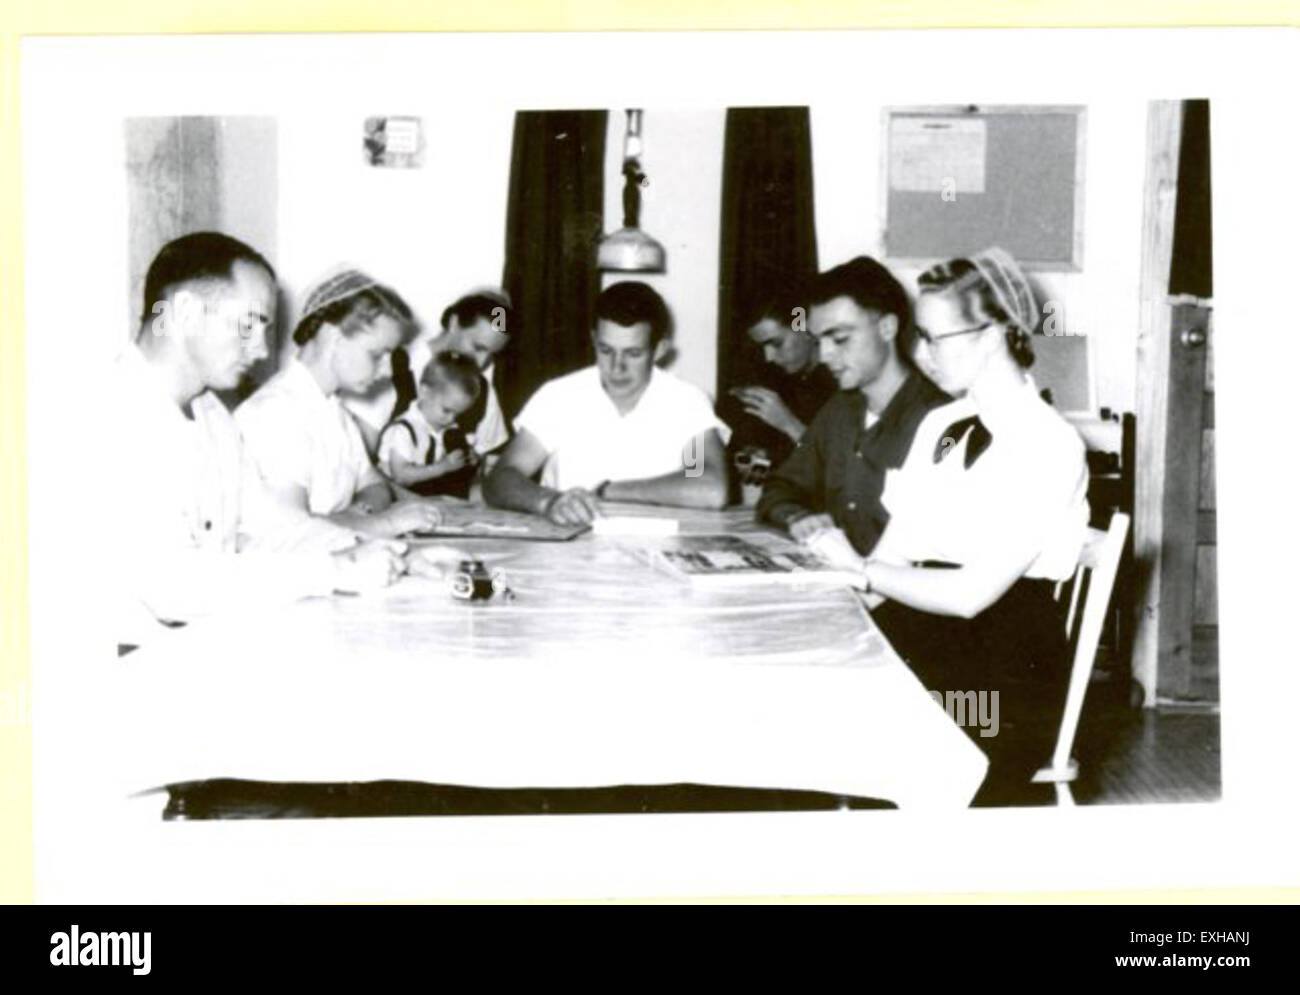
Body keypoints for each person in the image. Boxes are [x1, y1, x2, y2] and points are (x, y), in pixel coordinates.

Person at [840, 248, 1091, 806]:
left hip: (1006, 666)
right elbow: (894, 557)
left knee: (869, 727)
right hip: (930, 633)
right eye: (919, 337)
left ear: (997, 331)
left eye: (935, 338)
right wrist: (825, 594)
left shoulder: (1051, 444)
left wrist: (859, 569)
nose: (921, 356)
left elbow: (970, 596)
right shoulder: (943, 427)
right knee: (818, 699)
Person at [112, 233, 408, 650]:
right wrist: (334, 571)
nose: (262, 348)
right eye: (249, 324)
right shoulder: (112, 412)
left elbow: (270, 528)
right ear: (184, 312)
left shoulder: (213, 416)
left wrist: (391, 555)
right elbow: (169, 586)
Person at [483, 281, 730, 525]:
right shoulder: (560, 397)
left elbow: (707, 486)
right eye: (606, 350)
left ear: (660, 350)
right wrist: (549, 502)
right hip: (568, 553)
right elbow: (502, 478)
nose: (617, 367)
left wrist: (608, 491)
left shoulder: (685, 403)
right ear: (593, 339)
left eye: (633, 353)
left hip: (656, 553)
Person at [757, 256, 949, 555]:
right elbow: (780, 488)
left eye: (840, 339)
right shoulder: (839, 410)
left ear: (887, 328)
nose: (824, 356)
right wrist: (798, 517)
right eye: (819, 341)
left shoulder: (939, 419)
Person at [235, 267, 444, 540]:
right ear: (334, 338)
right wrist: (384, 524)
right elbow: (289, 531)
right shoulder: (274, 413)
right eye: (378, 355)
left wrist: (357, 516)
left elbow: (376, 487)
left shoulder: (335, 412)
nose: (387, 370)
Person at [346, 289, 514, 466]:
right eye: (478, 347)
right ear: (454, 323)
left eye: (492, 355)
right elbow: (360, 465)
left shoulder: (481, 389)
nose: (481, 363)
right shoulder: (390, 367)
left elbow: (492, 462)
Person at [719, 285, 837, 491]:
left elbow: (842, 468)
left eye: (776, 343)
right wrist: (754, 464)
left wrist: (788, 423)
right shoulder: (775, 381)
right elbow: (762, 471)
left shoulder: (843, 383)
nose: (769, 357)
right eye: (762, 347)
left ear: (804, 328)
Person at [377, 350, 484, 499]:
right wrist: (443, 467)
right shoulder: (403, 430)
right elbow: (400, 476)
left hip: (426, 492)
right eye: (446, 410)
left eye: (458, 414)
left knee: (479, 493)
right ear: (424, 392)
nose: (451, 419)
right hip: (395, 494)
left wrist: (467, 459)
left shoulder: (446, 427)